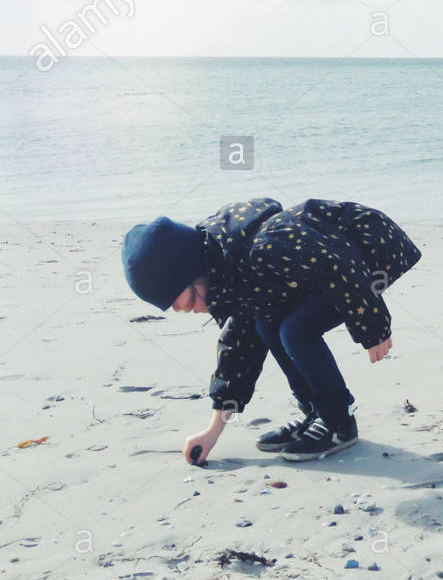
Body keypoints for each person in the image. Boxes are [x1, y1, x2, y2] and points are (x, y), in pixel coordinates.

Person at [120, 198, 422, 463]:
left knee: (296, 330)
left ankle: (338, 423)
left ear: (190, 271)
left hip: (369, 247)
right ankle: (315, 413)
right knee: (264, 323)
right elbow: (238, 350)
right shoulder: (227, 274)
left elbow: (338, 261)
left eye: (183, 300)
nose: (183, 309)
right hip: (322, 266)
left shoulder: (264, 248)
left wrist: (373, 328)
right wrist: (213, 430)